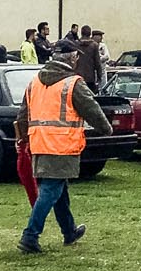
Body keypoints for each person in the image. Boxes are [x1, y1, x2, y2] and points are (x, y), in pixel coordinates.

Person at [14, 41, 111, 254]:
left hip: (39, 144)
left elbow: (22, 116)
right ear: (71, 58)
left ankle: (69, 231)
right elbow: (92, 110)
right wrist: (106, 129)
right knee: (50, 190)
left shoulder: (34, 83)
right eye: (76, 56)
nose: (77, 59)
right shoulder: (73, 83)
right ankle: (30, 236)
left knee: (58, 188)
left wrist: (22, 140)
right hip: (61, 145)